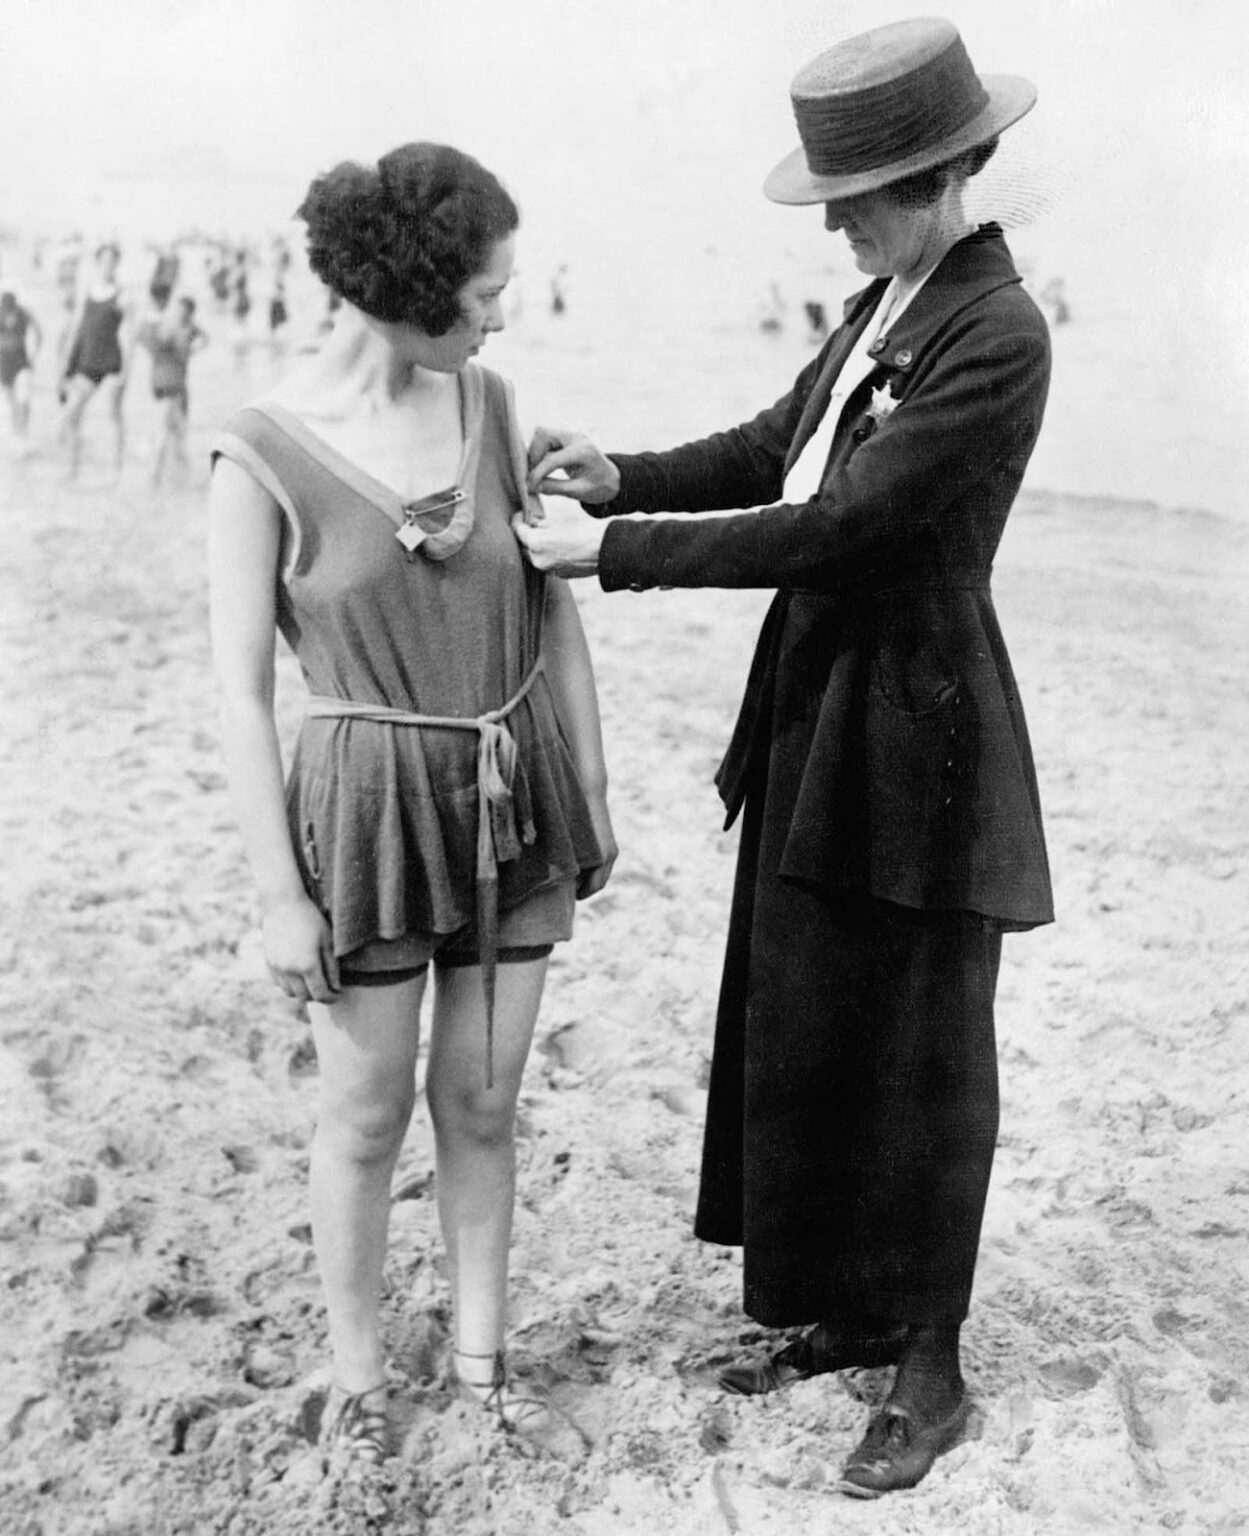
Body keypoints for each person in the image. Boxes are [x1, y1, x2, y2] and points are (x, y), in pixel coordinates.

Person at [517, 17, 1053, 1499]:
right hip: (828, 701)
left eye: (858, 193)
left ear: (944, 177)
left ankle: (930, 1360)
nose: (833, 221)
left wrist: (611, 553)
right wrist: (623, 474)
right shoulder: (890, 303)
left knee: (930, 1044)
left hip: (924, 719)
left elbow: (845, 527)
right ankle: (850, 1306)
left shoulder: (994, 328)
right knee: (810, 1010)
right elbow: (776, 449)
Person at [208, 141, 615, 1466]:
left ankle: (486, 1366)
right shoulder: (260, 451)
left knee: (486, 1103)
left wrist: (591, 792)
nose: (503, 313)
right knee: (369, 1114)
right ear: (421, 290)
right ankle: (362, 1373)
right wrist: (279, 896)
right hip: (367, 813)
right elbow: (237, 695)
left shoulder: (493, 407)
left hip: (513, 798)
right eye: (487, 291)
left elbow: (553, 615)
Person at [61, 242, 131, 478]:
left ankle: (117, 468)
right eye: (104, 260)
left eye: (113, 260)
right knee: (71, 412)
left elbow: (128, 335)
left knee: (114, 416)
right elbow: (76, 330)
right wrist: (65, 365)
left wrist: (125, 373)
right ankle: (73, 467)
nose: (108, 265)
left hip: (112, 365)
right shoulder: (87, 292)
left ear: (117, 264)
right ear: (97, 262)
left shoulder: (122, 295)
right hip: (87, 362)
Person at [137, 292, 206, 487]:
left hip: (174, 388)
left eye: (183, 311)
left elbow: (145, 339)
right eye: (178, 310)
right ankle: (163, 478)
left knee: (175, 436)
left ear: (190, 313)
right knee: (169, 434)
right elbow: (145, 339)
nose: (179, 313)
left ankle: (168, 479)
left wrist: (191, 350)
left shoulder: (182, 330)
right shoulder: (174, 330)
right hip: (169, 389)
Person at [0, 289, 42, 452]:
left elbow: (39, 333)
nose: (9, 313)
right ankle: (17, 435)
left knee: (23, 398)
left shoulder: (24, 313)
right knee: (12, 402)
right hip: (4, 363)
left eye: (11, 308)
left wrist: (34, 356)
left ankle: (23, 435)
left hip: (21, 361)